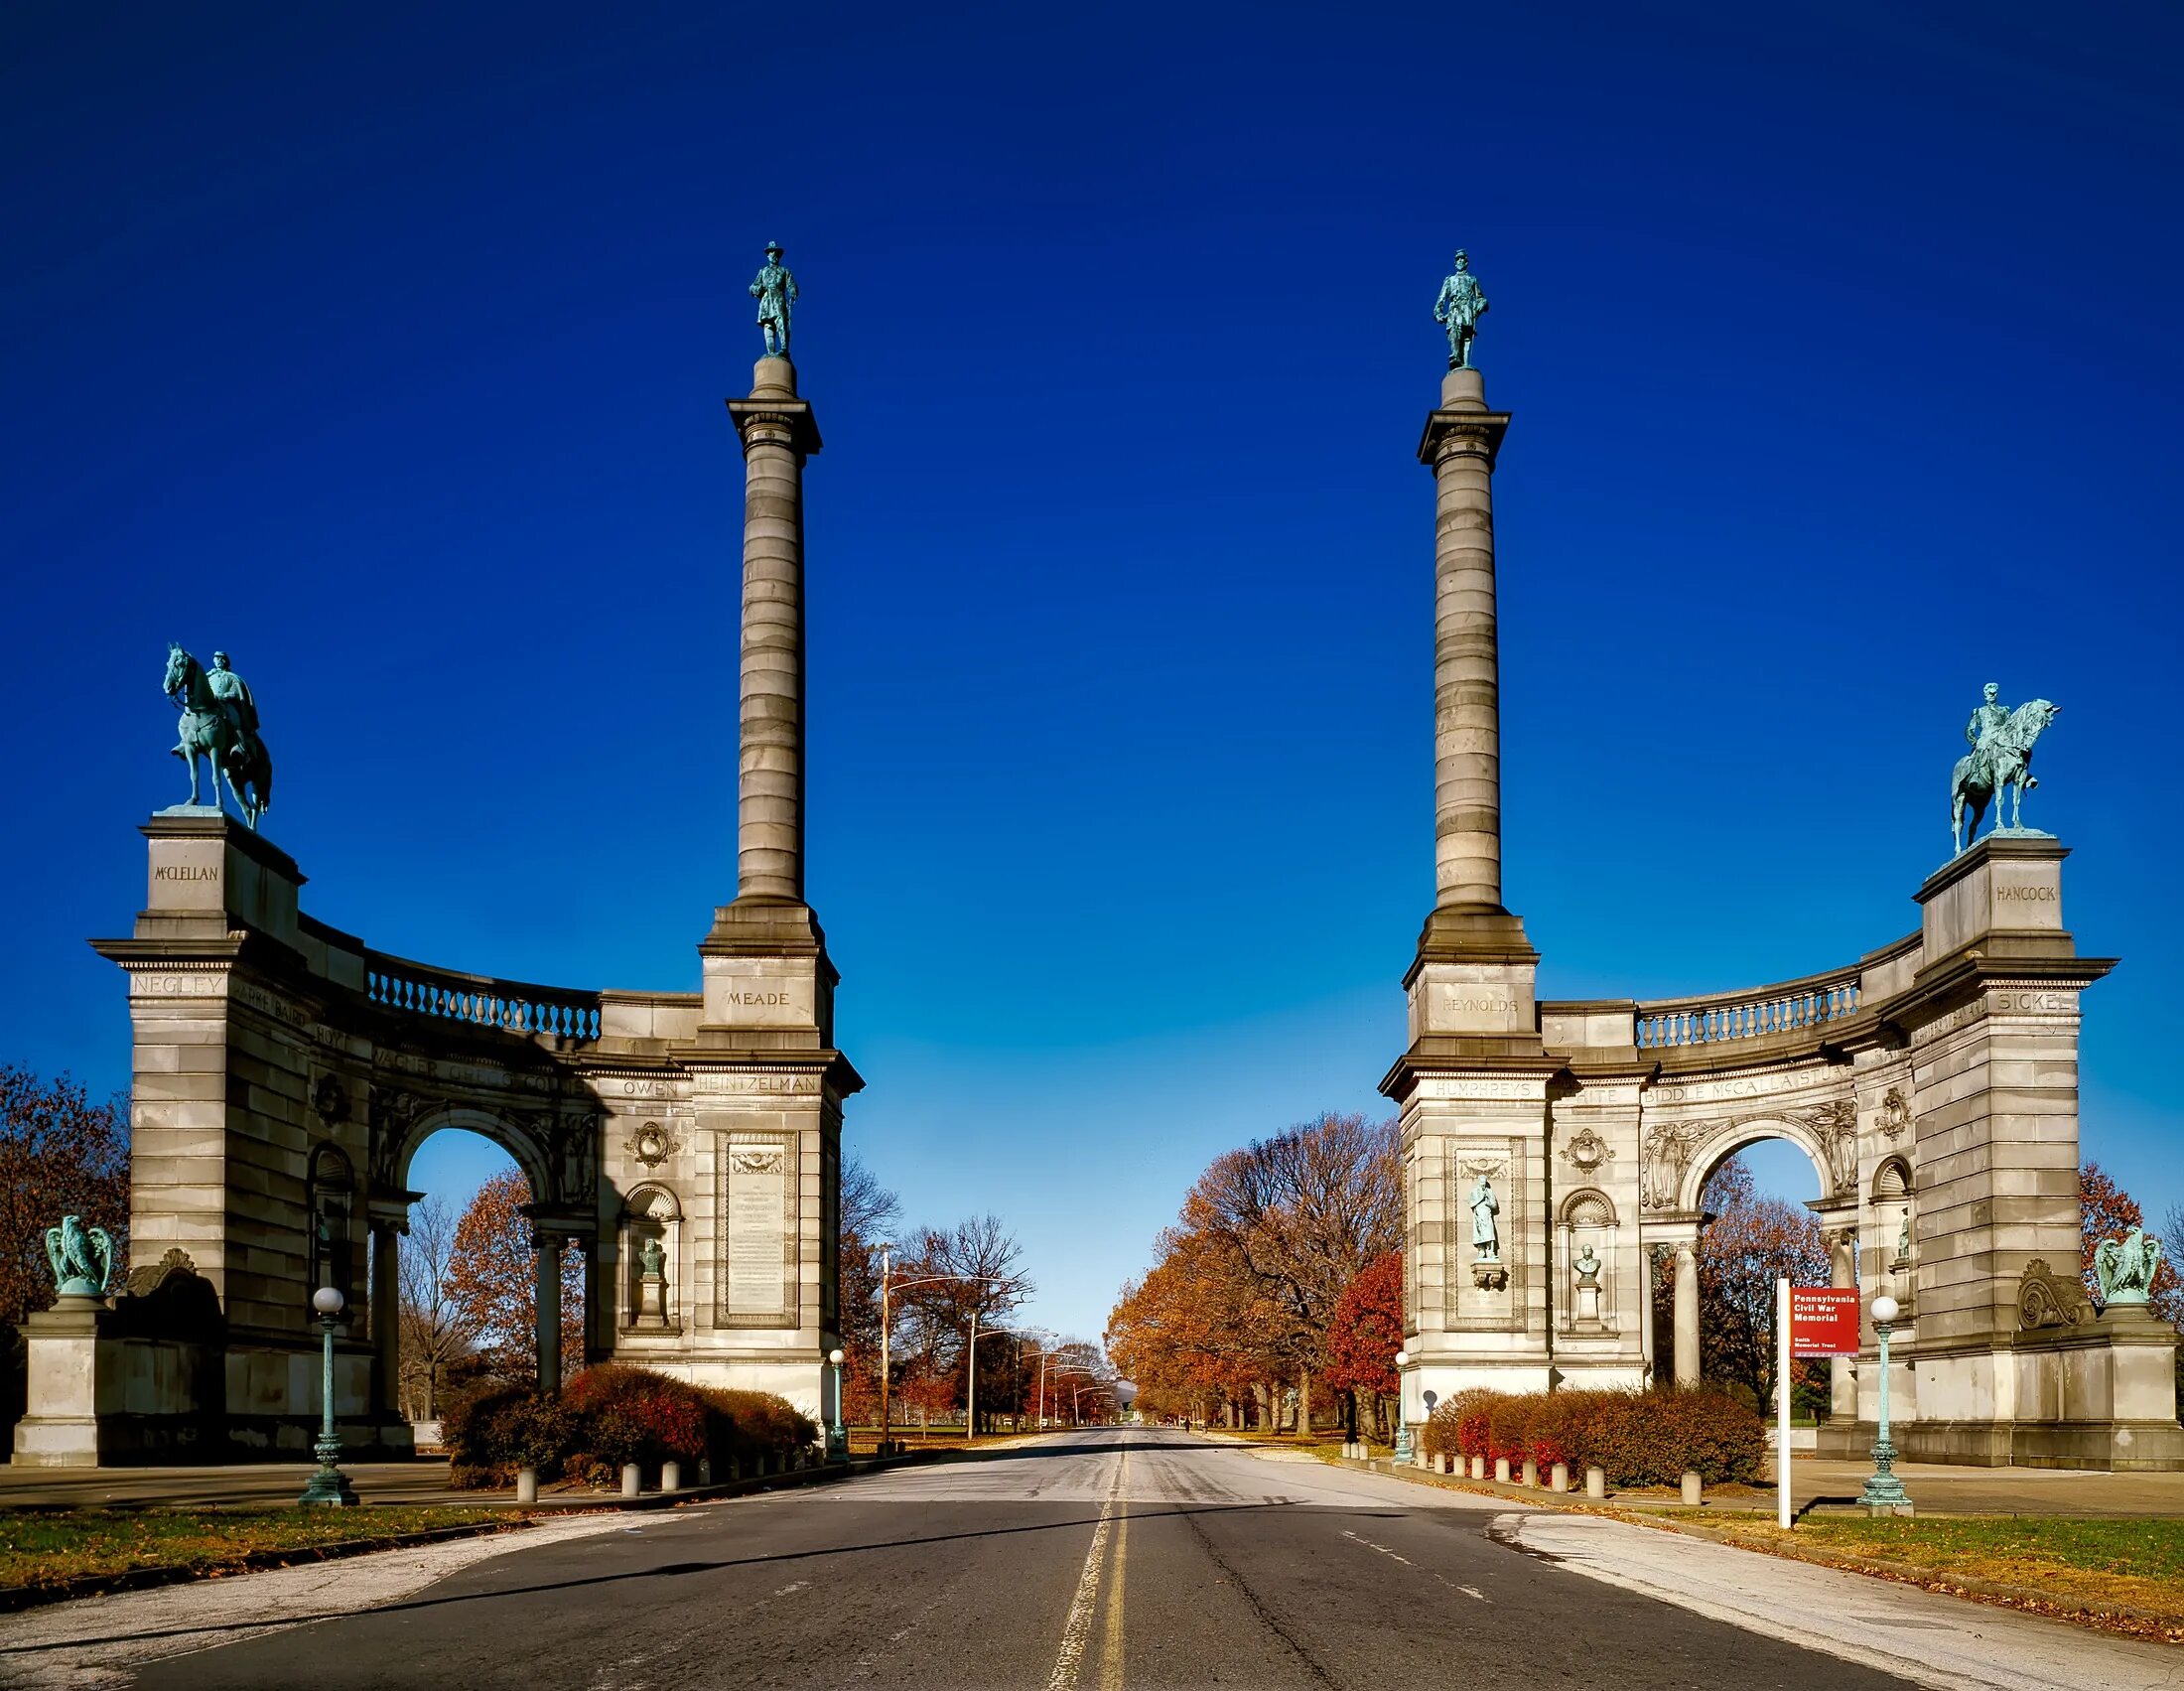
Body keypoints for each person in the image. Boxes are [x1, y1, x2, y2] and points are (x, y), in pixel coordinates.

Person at [1433, 249, 1489, 369]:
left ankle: (1465, 363)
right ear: (1455, 263)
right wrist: (1438, 313)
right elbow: (1441, 299)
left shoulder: (1472, 280)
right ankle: (1456, 356)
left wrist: (1480, 307)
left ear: (1466, 262)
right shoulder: (1450, 280)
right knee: (1455, 330)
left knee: (1467, 336)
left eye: (1462, 259)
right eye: (1458, 259)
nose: (1460, 261)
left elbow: (1481, 298)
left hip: (1468, 309)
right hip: (1455, 309)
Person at [751, 240, 797, 357]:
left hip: (778, 299)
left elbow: (791, 285)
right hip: (766, 300)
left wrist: (793, 292)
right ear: (768, 255)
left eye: (776, 253)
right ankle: (770, 352)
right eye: (771, 253)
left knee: (781, 322)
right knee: (768, 325)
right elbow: (752, 287)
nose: (774, 255)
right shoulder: (763, 271)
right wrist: (758, 289)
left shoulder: (784, 271)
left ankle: (784, 349)